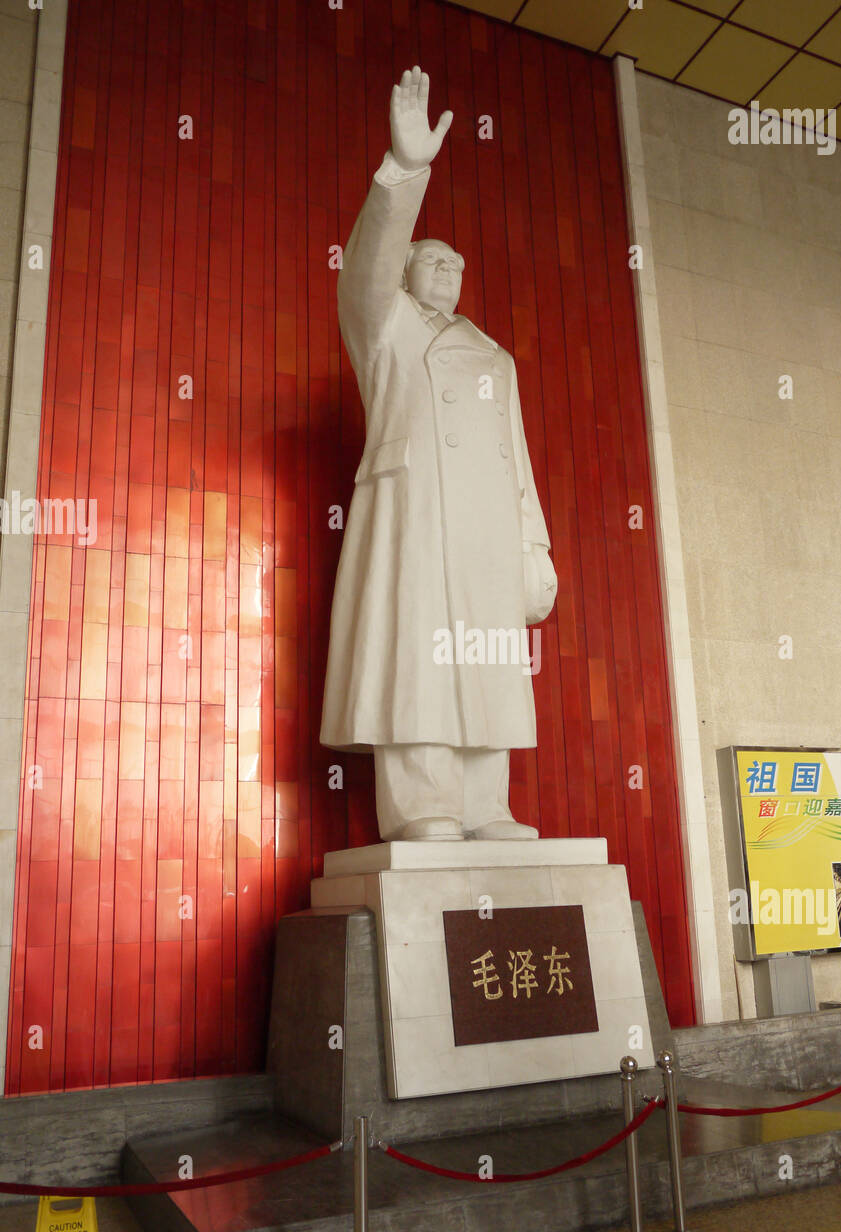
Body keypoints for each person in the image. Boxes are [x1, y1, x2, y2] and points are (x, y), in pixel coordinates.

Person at [320, 68, 557, 842]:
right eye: (432, 260)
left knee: (487, 661)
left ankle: (487, 804)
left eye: (457, 263)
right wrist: (405, 171)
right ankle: (424, 805)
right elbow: (367, 269)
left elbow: (514, 457)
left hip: (487, 530)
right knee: (416, 651)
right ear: (408, 272)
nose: (447, 269)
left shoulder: (494, 355)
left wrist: (533, 547)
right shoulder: (384, 327)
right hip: (416, 509)